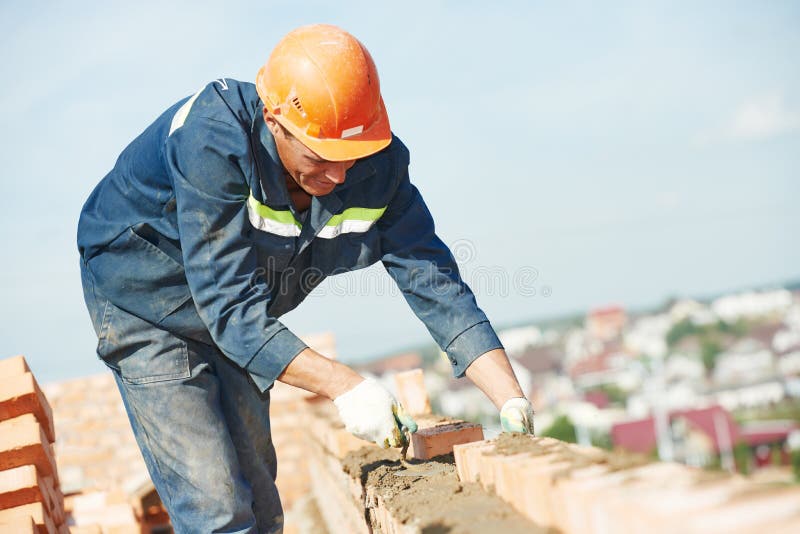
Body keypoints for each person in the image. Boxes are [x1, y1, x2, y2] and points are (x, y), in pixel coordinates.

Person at [77, 23, 534, 533]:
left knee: (261, 505)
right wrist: (346, 387)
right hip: (144, 298)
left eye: (349, 157)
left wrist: (509, 398)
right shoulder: (212, 142)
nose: (339, 177)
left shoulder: (376, 163)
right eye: (320, 157)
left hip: (238, 307)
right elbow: (228, 308)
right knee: (218, 509)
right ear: (274, 120)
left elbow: (434, 281)